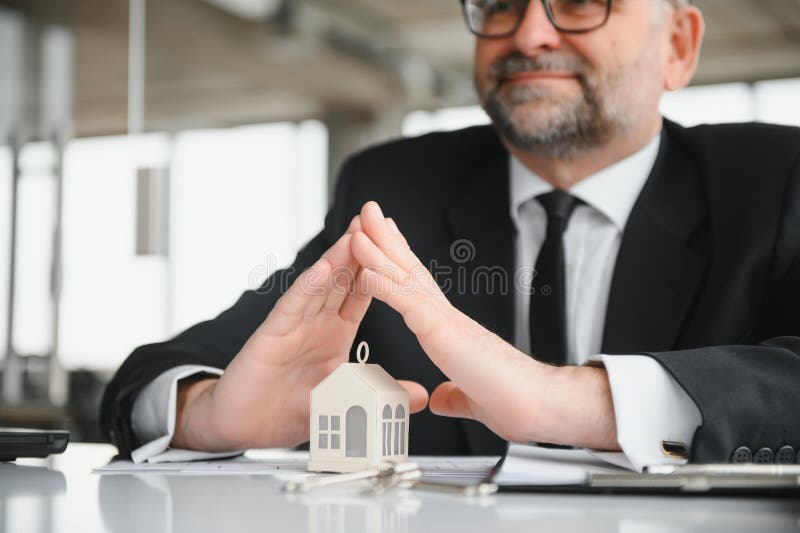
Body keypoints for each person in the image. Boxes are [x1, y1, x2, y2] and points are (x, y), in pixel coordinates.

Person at [100, 0, 800, 469]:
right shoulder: (397, 189)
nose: (528, 34)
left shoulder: (773, 183)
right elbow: (172, 367)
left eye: (583, 0)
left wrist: (572, 401)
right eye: (499, 3)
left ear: (678, 45)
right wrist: (211, 414)